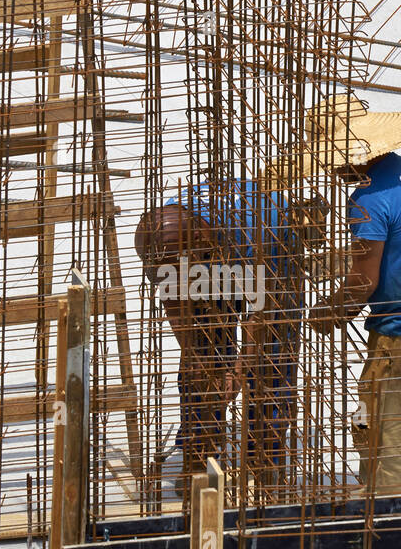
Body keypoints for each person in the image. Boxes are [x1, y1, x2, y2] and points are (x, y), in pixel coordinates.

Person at [135, 178, 327, 496]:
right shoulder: (162, 239)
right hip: (213, 263)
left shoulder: (258, 231)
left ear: (200, 237)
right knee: (199, 369)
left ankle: (264, 462)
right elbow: (173, 300)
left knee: (270, 368)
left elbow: (260, 312)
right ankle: (200, 455)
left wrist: (237, 370)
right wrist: (198, 356)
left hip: (270, 266)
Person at [308, 95, 401, 496]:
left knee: (385, 429)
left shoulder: (367, 201)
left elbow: (362, 281)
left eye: (337, 159)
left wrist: (327, 314)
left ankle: (390, 523)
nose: (334, 168)